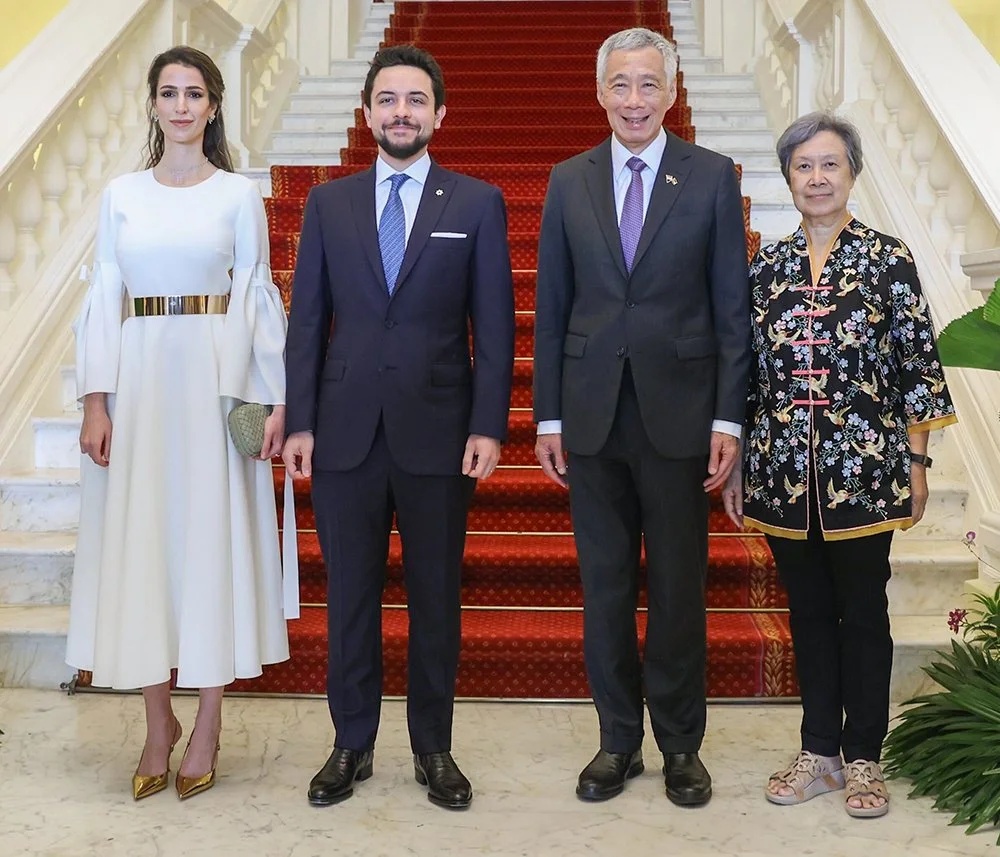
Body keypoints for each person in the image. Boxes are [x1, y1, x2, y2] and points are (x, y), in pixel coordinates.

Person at [282, 44, 515, 810]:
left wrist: (488, 423)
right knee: (348, 596)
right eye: (388, 99)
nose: (402, 112)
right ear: (368, 113)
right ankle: (351, 742)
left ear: (440, 114)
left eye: (416, 100)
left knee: (435, 597)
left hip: (440, 433)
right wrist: (303, 421)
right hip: (344, 431)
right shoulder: (328, 202)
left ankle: (434, 748)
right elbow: (307, 322)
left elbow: (496, 326)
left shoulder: (476, 202)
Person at [66, 46, 295, 802]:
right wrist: (97, 401)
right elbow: (105, 296)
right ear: (155, 105)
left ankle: (208, 721)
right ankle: (156, 722)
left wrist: (264, 406)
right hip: (138, 381)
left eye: (195, 93)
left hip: (214, 382)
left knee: (209, 544)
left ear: (215, 105)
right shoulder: (122, 193)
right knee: (146, 547)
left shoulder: (239, 195)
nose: (182, 105)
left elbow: (256, 300)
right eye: (169, 92)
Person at [533, 27, 751, 806]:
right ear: (600, 93)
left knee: (679, 588)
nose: (634, 99)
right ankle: (617, 739)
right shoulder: (569, 179)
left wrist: (730, 420)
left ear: (672, 90)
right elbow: (552, 305)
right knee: (605, 588)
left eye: (648, 84)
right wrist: (546, 416)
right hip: (589, 418)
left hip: (682, 418)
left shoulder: (712, 176)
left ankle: (681, 745)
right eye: (620, 84)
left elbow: (733, 311)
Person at [721, 112, 957, 818]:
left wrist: (917, 460)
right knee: (807, 613)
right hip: (782, 470)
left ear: (852, 173)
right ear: (789, 178)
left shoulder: (888, 258)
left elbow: (917, 366)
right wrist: (736, 462)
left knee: (862, 613)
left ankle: (864, 758)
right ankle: (817, 749)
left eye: (830, 164)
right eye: (803, 166)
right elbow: (747, 374)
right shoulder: (766, 266)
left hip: (868, 471)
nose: (816, 177)